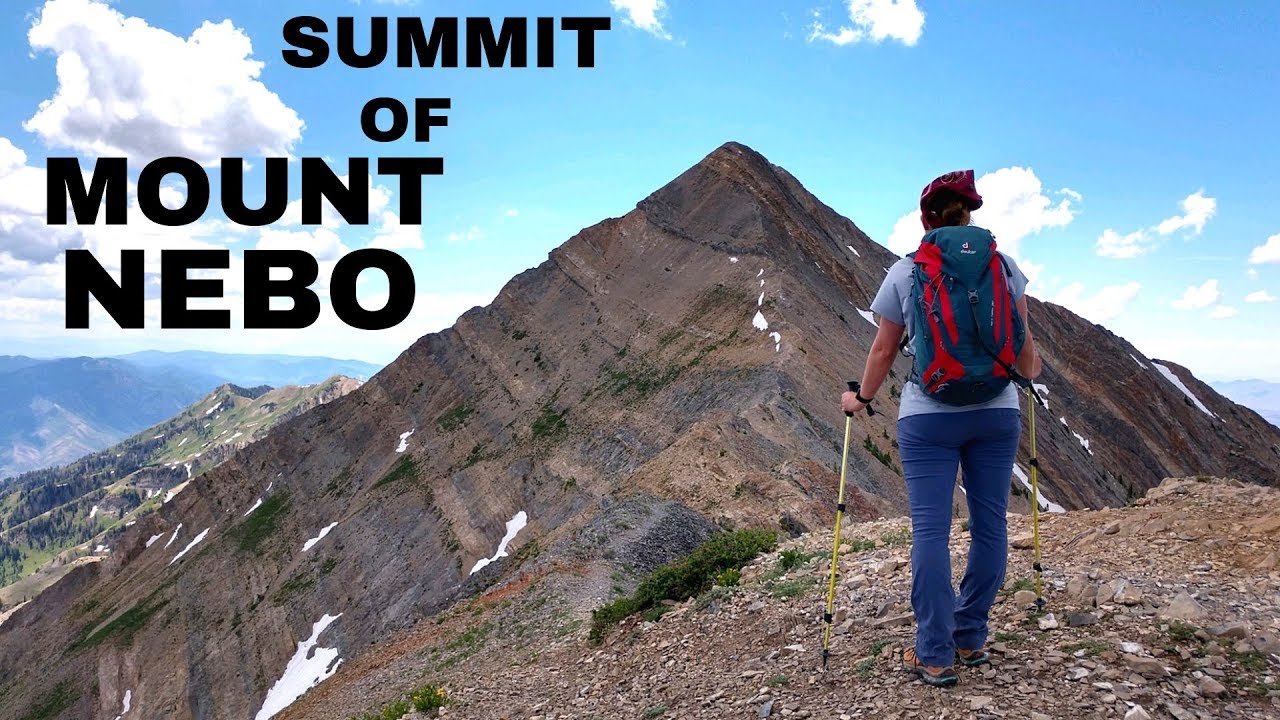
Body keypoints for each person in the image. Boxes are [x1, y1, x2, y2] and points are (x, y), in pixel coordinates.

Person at [841, 170, 1042, 687]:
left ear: (927, 219)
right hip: (997, 410)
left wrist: (860, 399)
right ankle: (971, 636)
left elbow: (884, 349)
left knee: (931, 531)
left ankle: (934, 653)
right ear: (968, 214)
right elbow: (1027, 355)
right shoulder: (1003, 267)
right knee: (990, 524)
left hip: (928, 415)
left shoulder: (908, 272)